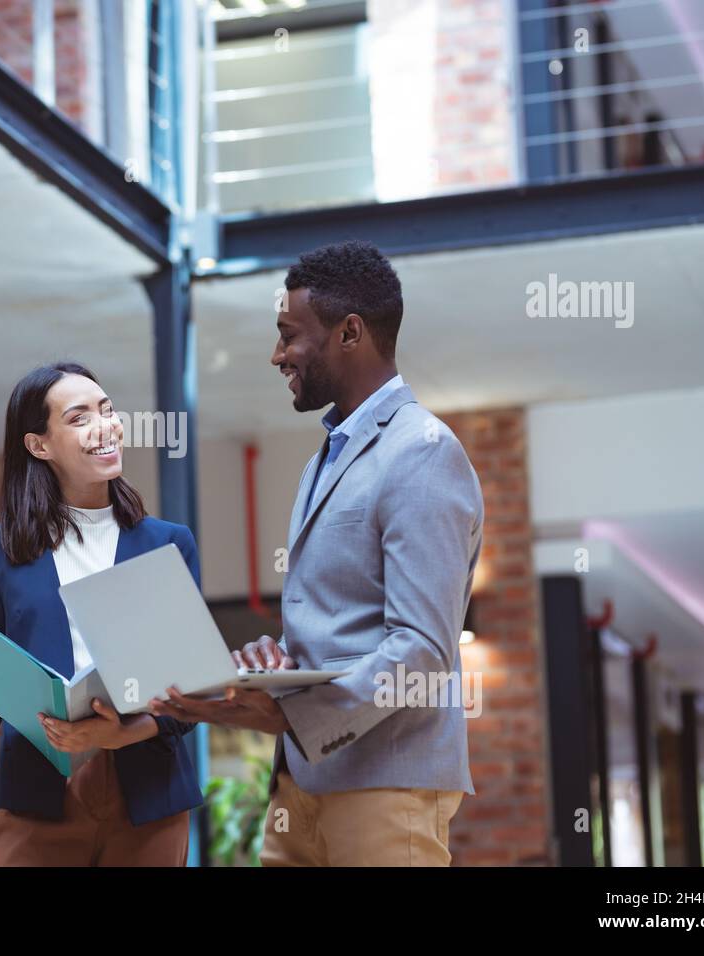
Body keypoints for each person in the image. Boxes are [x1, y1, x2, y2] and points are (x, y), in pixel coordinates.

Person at [149, 240, 482, 866]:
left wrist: (295, 717)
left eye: (289, 335)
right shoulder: (321, 461)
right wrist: (273, 665)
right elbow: (338, 628)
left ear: (349, 333)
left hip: (384, 787)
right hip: (298, 785)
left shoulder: (422, 452)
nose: (278, 355)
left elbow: (423, 651)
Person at [0, 361, 203, 866]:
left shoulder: (166, 543)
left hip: (148, 796)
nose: (105, 427)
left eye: (107, 410)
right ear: (39, 445)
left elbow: (187, 696)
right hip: (36, 792)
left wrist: (117, 733)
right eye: (79, 418)